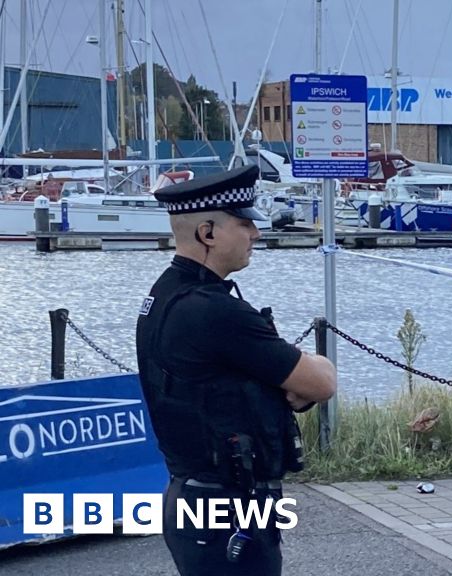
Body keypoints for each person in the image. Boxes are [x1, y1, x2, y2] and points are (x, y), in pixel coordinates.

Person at [136, 164, 337, 576]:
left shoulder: (166, 294)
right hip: (228, 507)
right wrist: (308, 373)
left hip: (194, 497)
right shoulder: (214, 311)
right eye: (244, 224)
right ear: (207, 233)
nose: (255, 234)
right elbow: (321, 383)